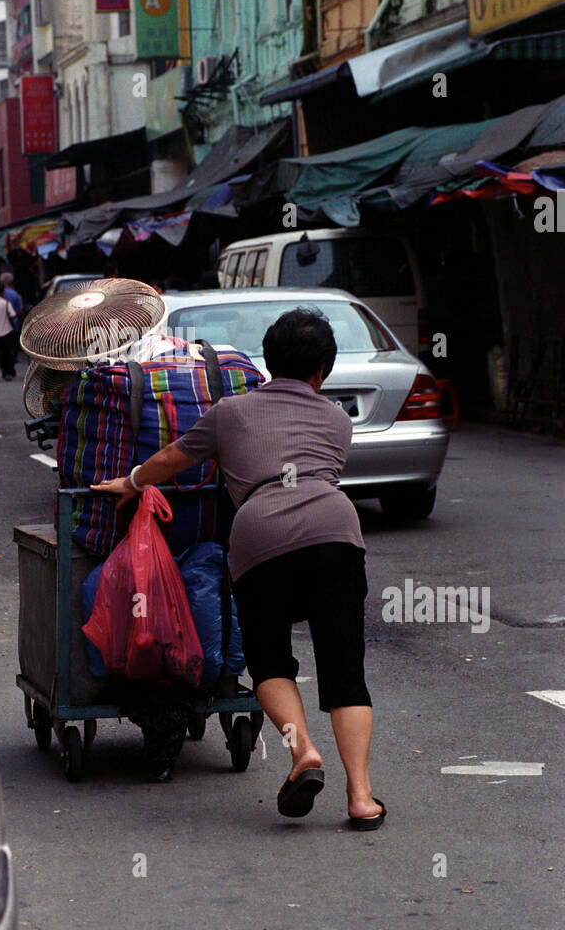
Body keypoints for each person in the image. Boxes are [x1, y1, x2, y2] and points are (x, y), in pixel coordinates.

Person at [94, 307, 385, 829]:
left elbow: (172, 460)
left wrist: (132, 481)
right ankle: (362, 798)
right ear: (324, 372)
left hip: (261, 536)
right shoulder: (338, 420)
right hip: (336, 534)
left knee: (271, 661)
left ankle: (302, 753)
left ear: (267, 362)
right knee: (346, 672)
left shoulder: (231, 413)